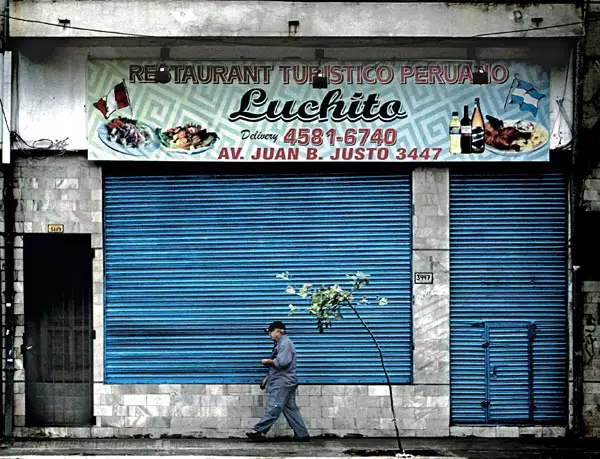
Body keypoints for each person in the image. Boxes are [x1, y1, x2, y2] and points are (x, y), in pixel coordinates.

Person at [246, 320, 310, 442]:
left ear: (278, 331)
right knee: (290, 409)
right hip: (285, 381)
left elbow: (283, 363)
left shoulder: (285, 343)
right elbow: (277, 366)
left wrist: (268, 361)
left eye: (270, 332)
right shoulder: (280, 344)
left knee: (274, 406)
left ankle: (260, 431)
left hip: (282, 382)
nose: (269, 335)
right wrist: (266, 379)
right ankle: (302, 434)